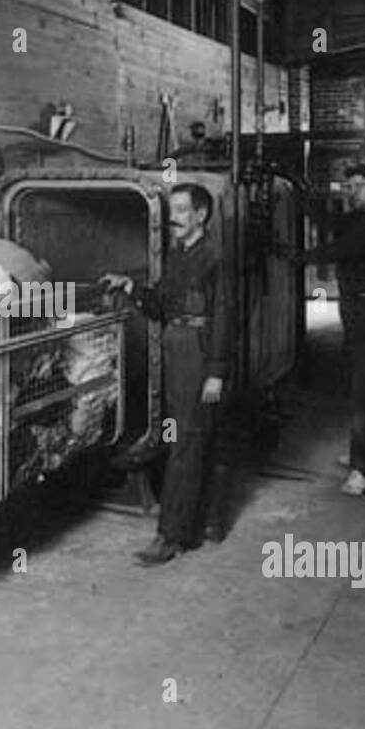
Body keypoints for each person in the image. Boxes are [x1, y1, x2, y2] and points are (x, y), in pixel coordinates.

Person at [100, 184, 234, 565]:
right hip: (178, 345)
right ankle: (205, 522)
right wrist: (132, 288)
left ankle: (171, 535)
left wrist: (216, 372)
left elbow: (224, 315)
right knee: (192, 438)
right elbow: (159, 305)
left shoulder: (215, 256)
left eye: (181, 210)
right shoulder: (179, 255)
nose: (173, 217)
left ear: (201, 215)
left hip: (199, 349)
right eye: (171, 209)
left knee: (186, 444)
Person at [289, 164, 365, 496]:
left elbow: (343, 248)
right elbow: (330, 224)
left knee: (364, 388)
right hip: (357, 308)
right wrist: (302, 196)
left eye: (359, 186)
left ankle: (361, 468)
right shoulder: (359, 219)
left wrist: (299, 258)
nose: (352, 191)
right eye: (349, 186)